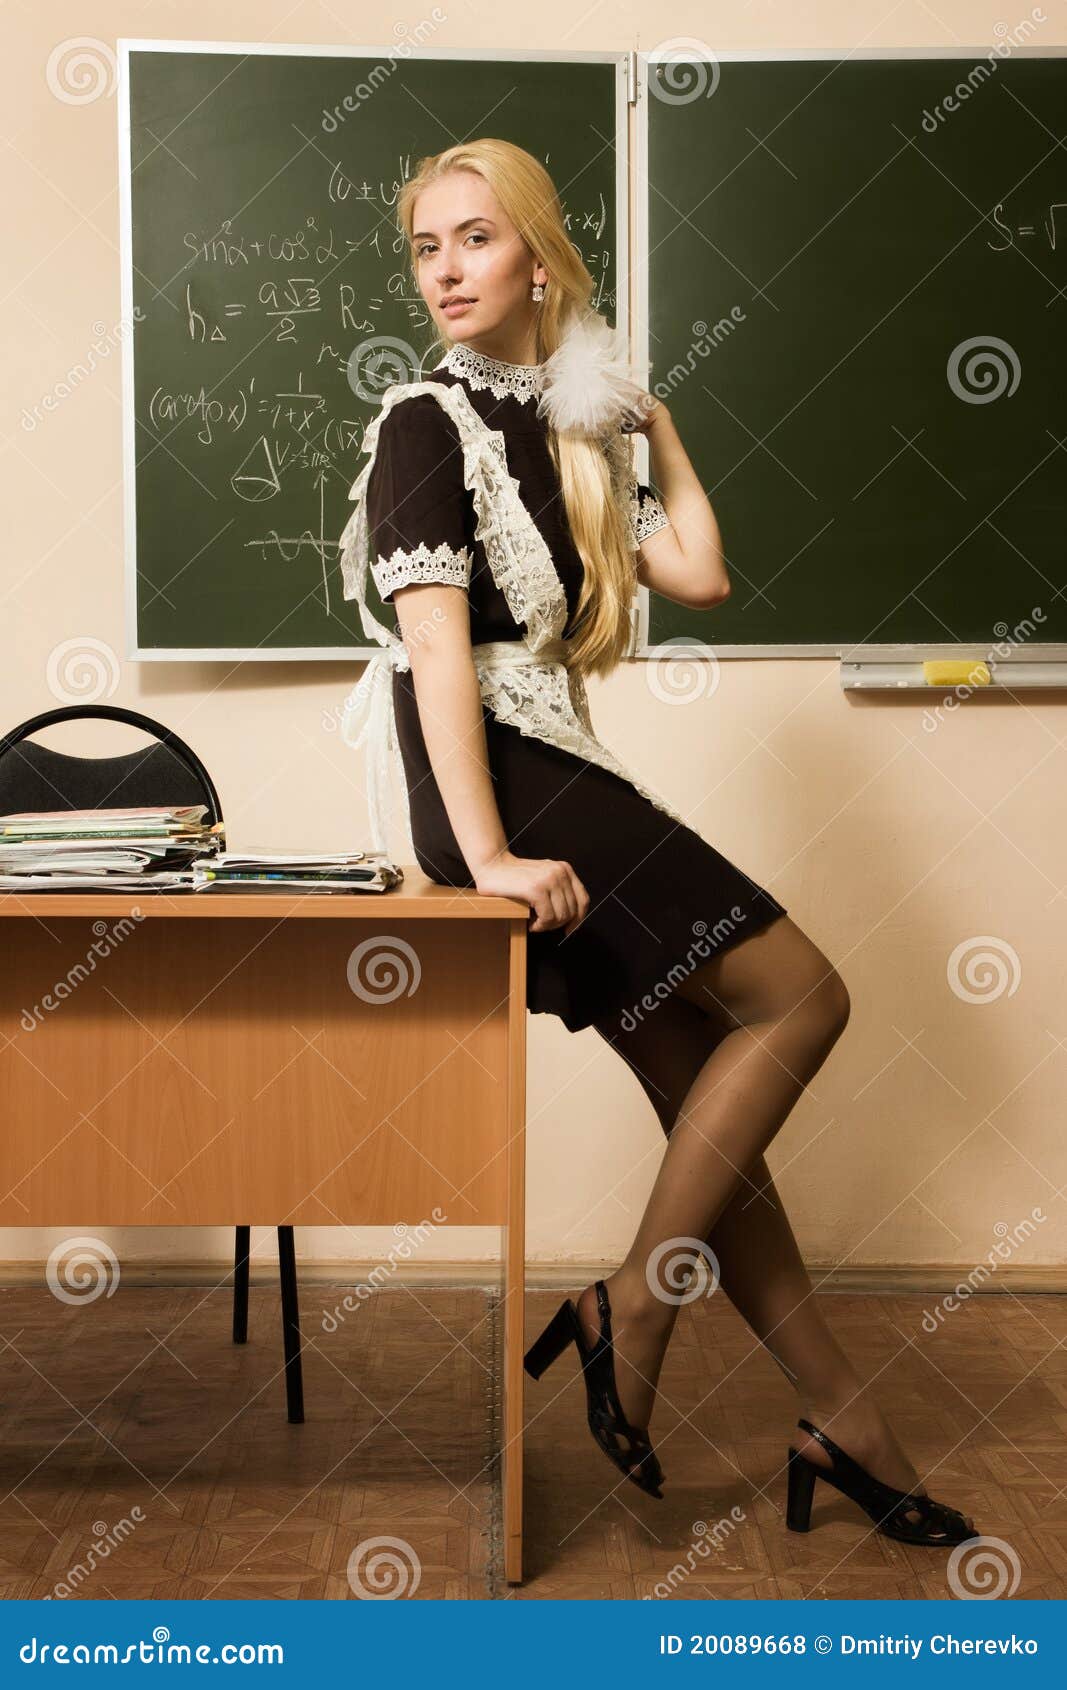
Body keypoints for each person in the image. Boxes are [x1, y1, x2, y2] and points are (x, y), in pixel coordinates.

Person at [338, 138, 977, 1548]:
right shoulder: (421, 424)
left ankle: (841, 1422)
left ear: (540, 262)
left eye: (475, 241)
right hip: (499, 777)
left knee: (711, 1122)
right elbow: (437, 656)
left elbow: (700, 567)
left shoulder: (564, 434)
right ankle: (634, 1297)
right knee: (807, 993)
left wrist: (652, 421)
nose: (444, 270)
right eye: (426, 248)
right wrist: (490, 857)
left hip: (551, 765)